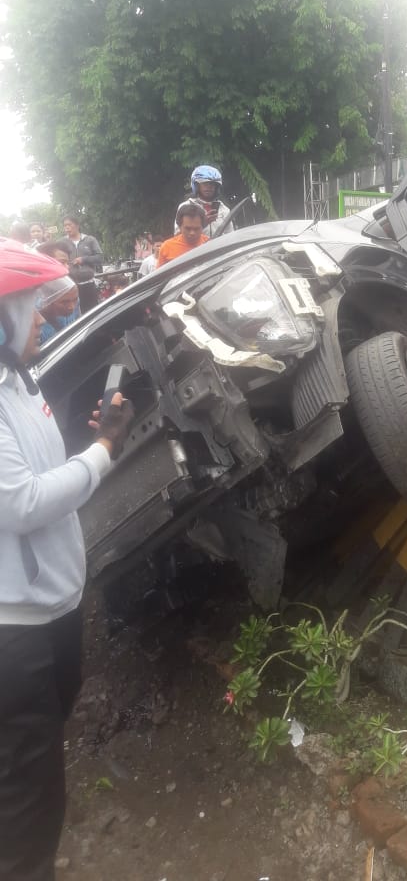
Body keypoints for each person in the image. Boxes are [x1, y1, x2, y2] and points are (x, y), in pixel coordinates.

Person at [0, 238, 134, 881]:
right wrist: (105, 449)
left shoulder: (19, 384)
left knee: (37, 750)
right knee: (31, 800)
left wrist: (86, 436)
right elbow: (21, 502)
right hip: (15, 630)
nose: (41, 318)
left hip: (51, 605)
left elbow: (40, 466)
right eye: (28, 307)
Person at [37, 240, 100, 313]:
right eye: (62, 262)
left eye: (67, 263)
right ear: (45, 262)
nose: (67, 267)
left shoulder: (70, 292)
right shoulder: (35, 301)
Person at [176, 165, 233, 238]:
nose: (209, 187)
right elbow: (177, 236)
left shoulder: (224, 209)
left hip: (220, 248)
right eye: (205, 183)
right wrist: (202, 224)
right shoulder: (185, 207)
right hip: (197, 249)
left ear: (216, 187)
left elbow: (231, 235)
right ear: (196, 185)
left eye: (212, 184)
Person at [157, 201, 209, 267]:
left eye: (196, 229)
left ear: (202, 227)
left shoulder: (209, 244)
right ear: (179, 227)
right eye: (188, 228)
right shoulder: (167, 247)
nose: (192, 233)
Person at [37, 275, 80, 345]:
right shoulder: (35, 323)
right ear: (48, 300)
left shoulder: (76, 301)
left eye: (75, 299)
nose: (72, 307)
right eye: (64, 302)